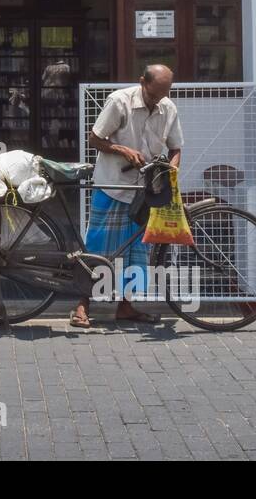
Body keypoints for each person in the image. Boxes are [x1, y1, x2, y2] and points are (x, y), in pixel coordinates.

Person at [70, 64, 183, 328]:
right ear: (142, 81)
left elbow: (176, 147)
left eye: (164, 94)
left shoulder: (169, 108)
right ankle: (81, 306)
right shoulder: (119, 102)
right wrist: (122, 150)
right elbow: (95, 139)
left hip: (145, 190)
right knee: (98, 248)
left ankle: (126, 306)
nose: (158, 100)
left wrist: (172, 169)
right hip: (112, 185)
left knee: (137, 252)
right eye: (154, 94)